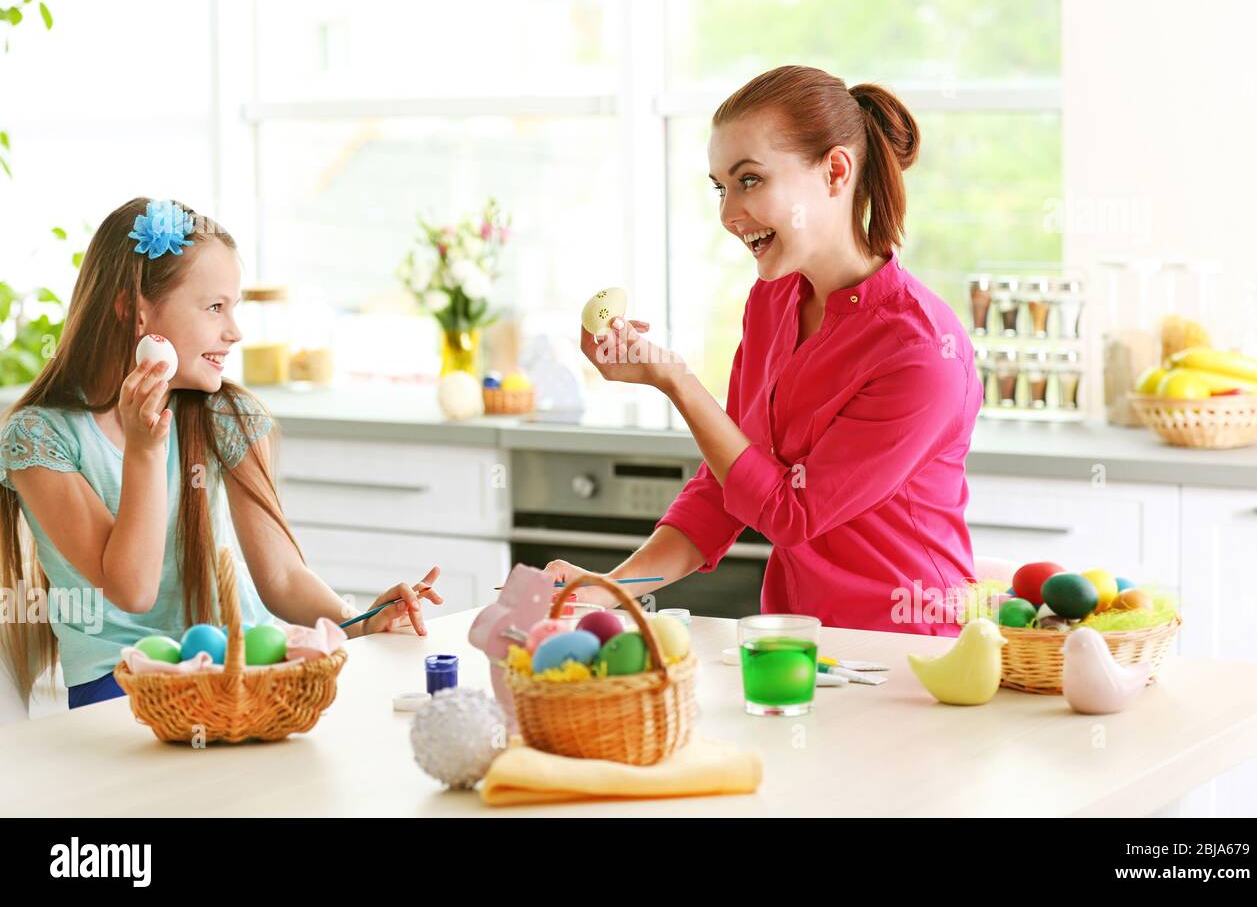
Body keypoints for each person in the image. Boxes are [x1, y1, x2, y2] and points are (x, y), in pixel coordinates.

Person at [546, 65, 982, 634]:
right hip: (794, 645)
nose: (729, 214)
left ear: (835, 172)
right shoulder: (773, 301)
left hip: (908, 658)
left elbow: (788, 513)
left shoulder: (921, 352)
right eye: (720, 187)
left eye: (749, 180)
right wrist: (606, 594)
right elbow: (730, 482)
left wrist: (674, 379)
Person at [0, 197, 443, 709]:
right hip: (120, 690)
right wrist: (144, 453)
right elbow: (132, 590)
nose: (235, 331)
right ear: (135, 312)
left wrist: (362, 620)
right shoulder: (40, 438)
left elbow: (281, 576)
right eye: (215, 307)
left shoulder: (224, 416)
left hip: (243, 670)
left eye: (234, 308)